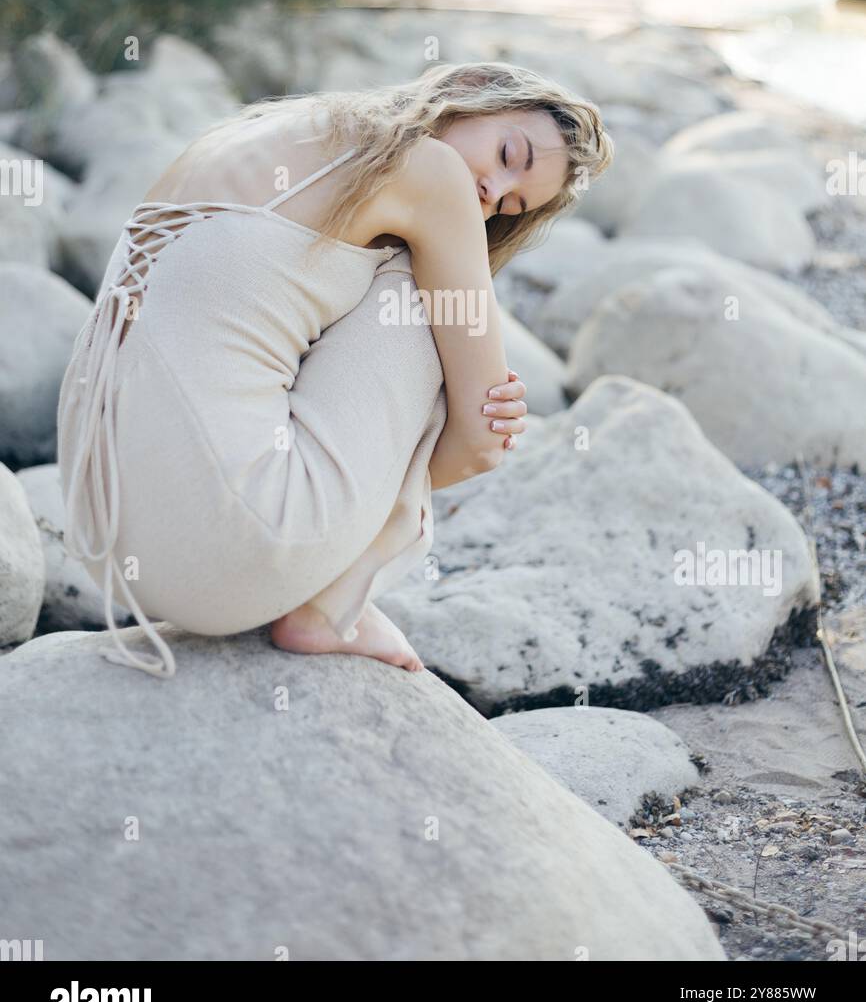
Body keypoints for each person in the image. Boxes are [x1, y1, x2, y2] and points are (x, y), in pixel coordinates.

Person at [56, 60, 613, 680]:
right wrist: (474, 409)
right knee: (427, 298)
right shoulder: (430, 174)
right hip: (234, 548)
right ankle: (328, 604)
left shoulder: (271, 130)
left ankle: (319, 583)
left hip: (99, 528)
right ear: (469, 89)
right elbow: (481, 446)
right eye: (509, 153)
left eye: (511, 204)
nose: (491, 192)